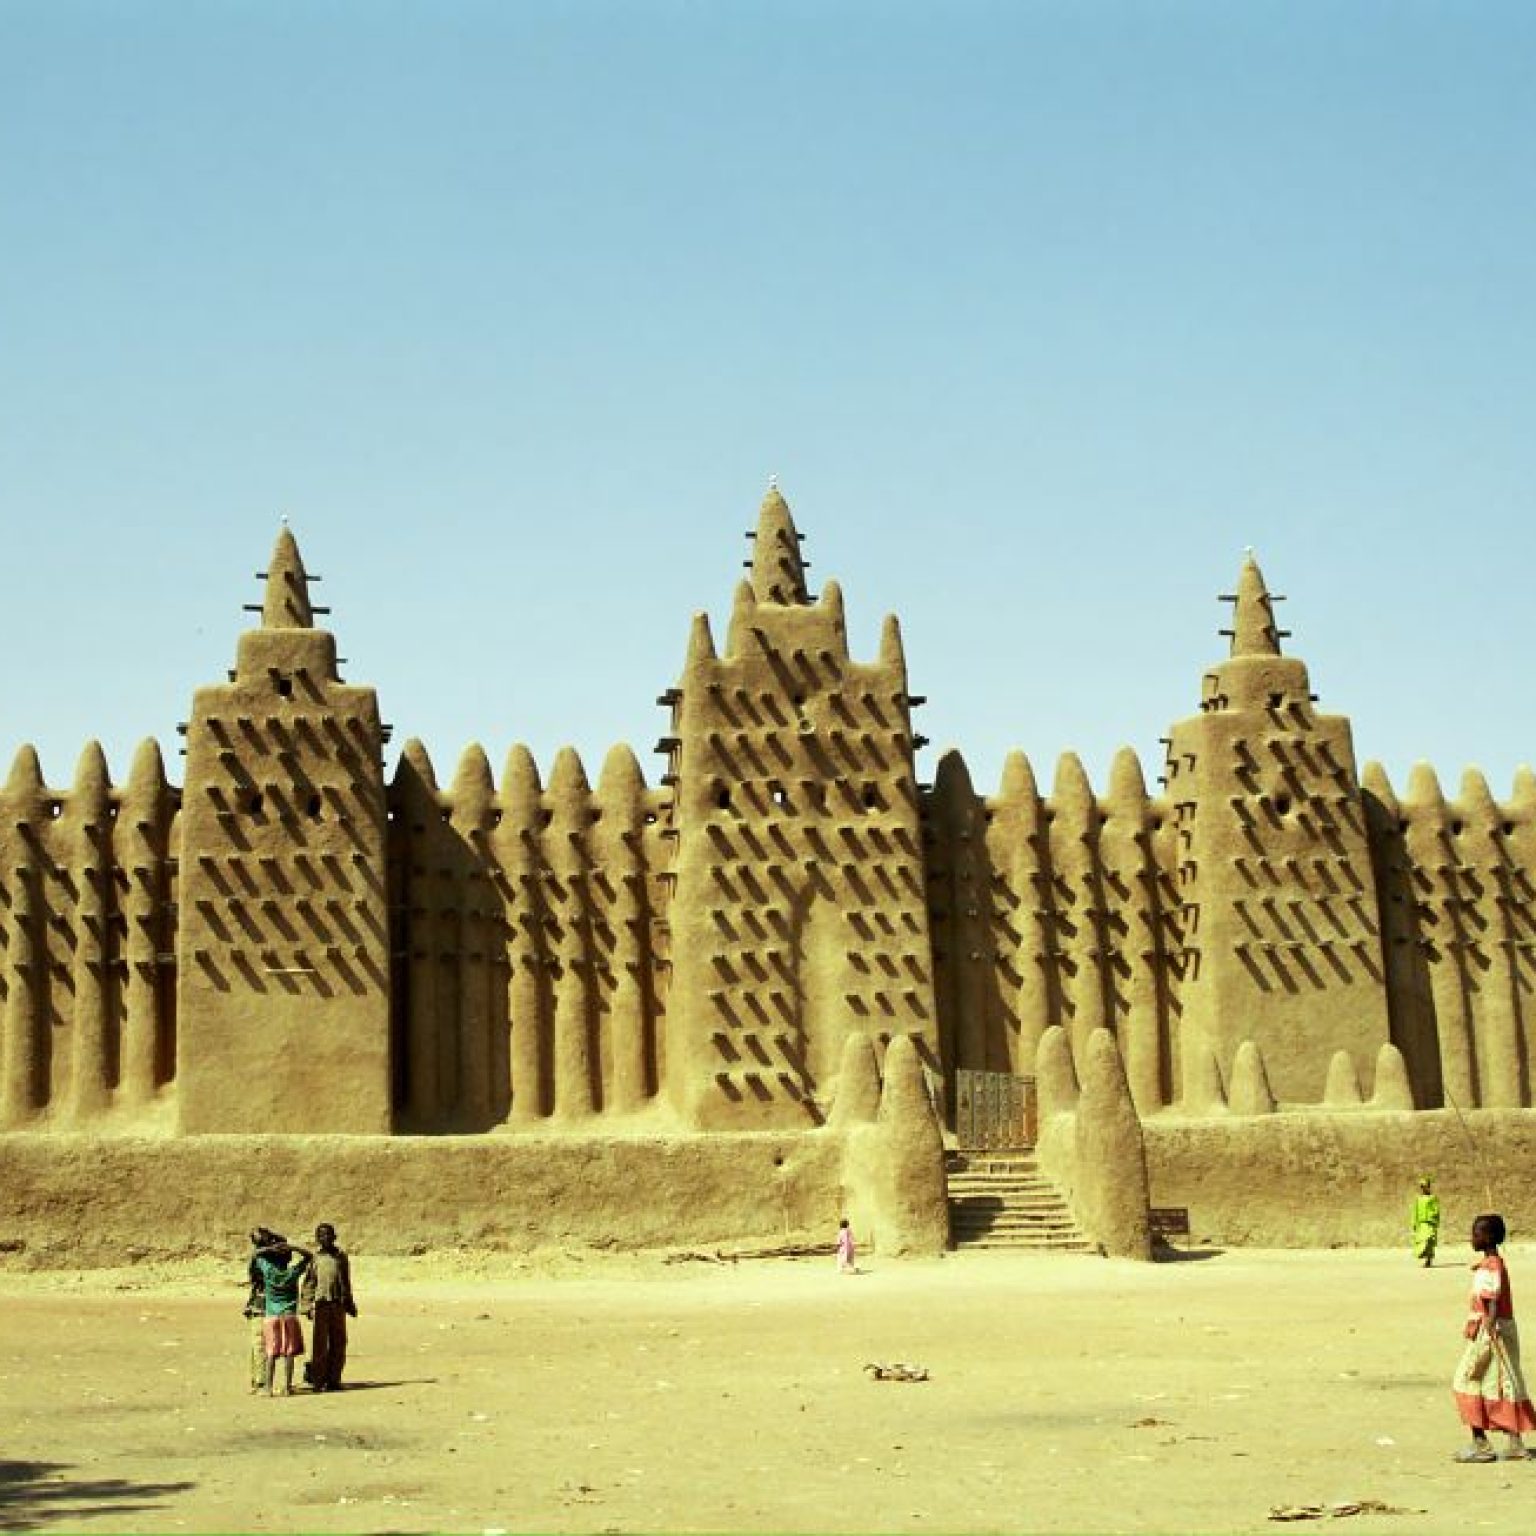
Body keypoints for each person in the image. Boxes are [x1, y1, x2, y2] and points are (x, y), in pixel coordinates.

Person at [1452, 1213, 1535, 1462]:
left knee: (1467, 1381)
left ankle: (1481, 1444)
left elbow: (1491, 1300)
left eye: (1476, 1234)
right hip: (1498, 1330)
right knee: (1503, 1384)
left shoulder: (1491, 1267)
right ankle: (1514, 1443)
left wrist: (1487, 1330)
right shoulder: (1494, 1263)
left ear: (1487, 1237)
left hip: (1490, 1333)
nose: (1472, 1238)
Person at [301, 1223, 358, 1392]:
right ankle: (318, 1380)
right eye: (321, 1235)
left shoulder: (341, 1257)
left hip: (338, 1304)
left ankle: (334, 1379)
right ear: (317, 1239)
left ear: (334, 1237)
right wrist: (306, 1305)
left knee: (339, 1343)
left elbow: (346, 1281)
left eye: (328, 1235)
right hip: (321, 1305)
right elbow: (309, 1282)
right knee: (319, 1344)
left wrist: (350, 1303)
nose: (324, 1238)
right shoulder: (315, 1258)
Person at [253, 1236, 313, 1397]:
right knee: (288, 1353)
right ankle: (287, 1387)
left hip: (272, 1316)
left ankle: (268, 1387)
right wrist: (292, 1247)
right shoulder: (292, 1273)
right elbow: (309, 1256)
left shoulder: (268, 1271)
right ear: (288, 1260)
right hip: (289, 1316)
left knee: (271, 1352)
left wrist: (270, 1249)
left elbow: (256, 1255)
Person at [243, 1227, 285, 1393]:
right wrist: (266, 1245)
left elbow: (285, 1244)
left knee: (265, 1344)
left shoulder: (277, 1260)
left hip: (273, 1306)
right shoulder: (257, 1259)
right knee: (259, 1344)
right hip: (259, 1306)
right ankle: (260, 1382)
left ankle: (259, 1380)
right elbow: (255, 1258)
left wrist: (271, 1236)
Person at [1413, 1175, 1442, 1268]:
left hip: (1430, 1222)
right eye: (1421, 1186)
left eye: (1424, 1186)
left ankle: (1429, 1259)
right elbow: (1415, 1211)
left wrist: (1435, 1219)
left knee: (1429, 1241)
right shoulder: (1418, 1199)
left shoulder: (1433, 1198)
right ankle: (1424, 1257)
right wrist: (1414, 1222)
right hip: (1421, 1223)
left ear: (1428, 1186)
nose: (1423, 1188)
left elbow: (1436, 1210)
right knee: (1422, 1240)